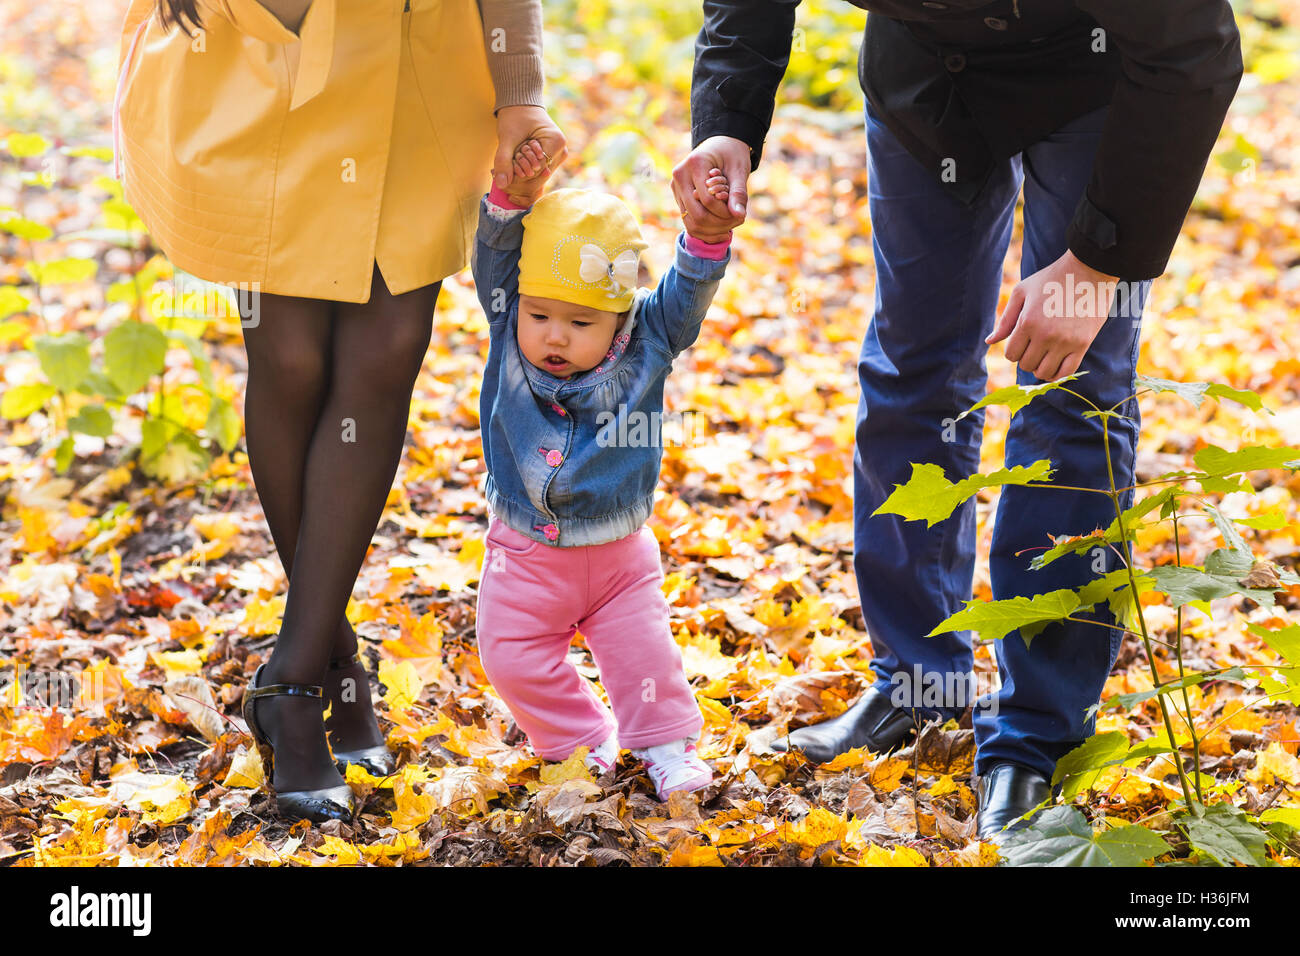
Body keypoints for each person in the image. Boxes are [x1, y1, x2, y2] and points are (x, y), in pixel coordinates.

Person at [674, 0, 1242, 839]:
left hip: (1099, 73)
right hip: (924, 81)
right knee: (913, 366)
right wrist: (728, 121)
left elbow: (1196, 50)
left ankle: (1038, 737)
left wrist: (1093, 265)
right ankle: (917, 684)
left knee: (1074, 385)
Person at [114, 0, 567, 823]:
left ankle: (292, 680)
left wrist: (520, 92)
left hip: (417, 68)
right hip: (263, 56)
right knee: (287, 359)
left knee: (388, 348)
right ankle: (337, 658)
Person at [470, 145, 735, 799]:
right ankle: (582, 741)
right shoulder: (510, 320)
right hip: (525, 553)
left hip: (618, 557)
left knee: (643, 660)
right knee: (510, 656)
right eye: (542, 317)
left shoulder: (650, 335)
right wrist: (512, 197)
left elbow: (687, 292)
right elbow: (496, 257)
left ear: (620, 315)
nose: (554, 336)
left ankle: (668, 749)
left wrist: (705, 238)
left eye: (579, 322)